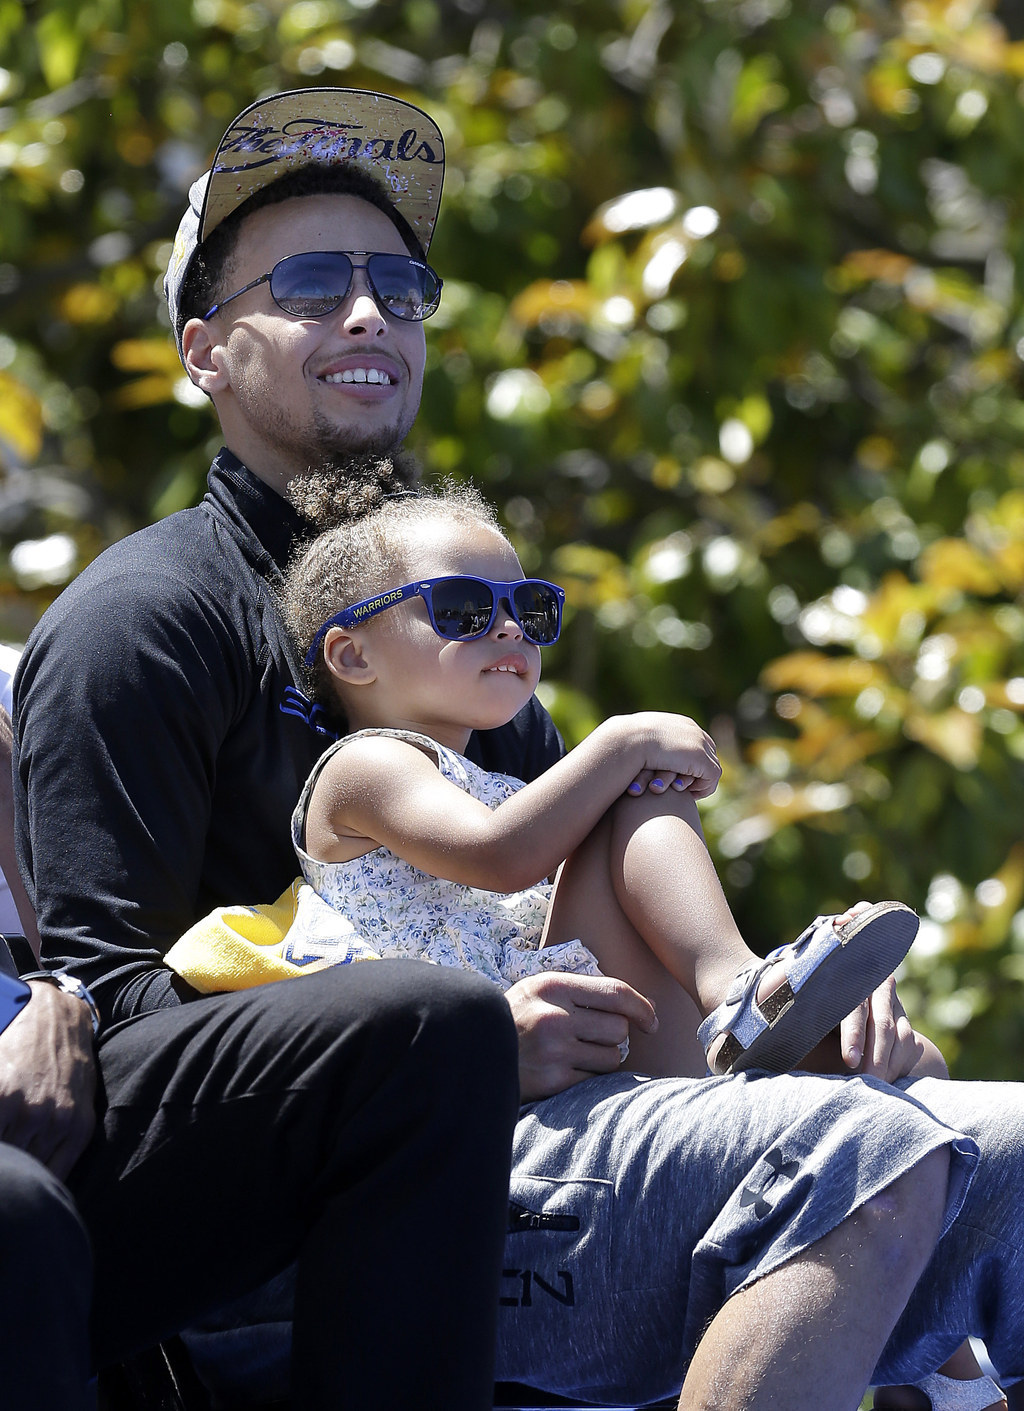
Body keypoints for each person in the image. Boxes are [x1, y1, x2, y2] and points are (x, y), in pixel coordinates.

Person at [7, 85, 1018, 1411]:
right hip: (316, 1226)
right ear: (205, 349)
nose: (368, 312)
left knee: (995, 1150)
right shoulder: (142, 623)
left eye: (399, 285)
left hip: (563, 1121)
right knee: (864, 1171)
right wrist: (450, 1054)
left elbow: (564, 898)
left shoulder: (456, 614)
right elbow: (109, 1032)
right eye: (311, 284)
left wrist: (776, 1003)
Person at [275, 474, 922, 1081]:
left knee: (914, 1066)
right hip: (532, 1046)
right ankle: (736, 985)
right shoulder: (362, 765)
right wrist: (624, 740)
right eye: (464, 607)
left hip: (592, 1012)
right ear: (353, 655)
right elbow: (500, 855)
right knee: (634, 789)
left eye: (529, 608)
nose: (508, 627)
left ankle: (756, 1000)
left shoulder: (496, 783)